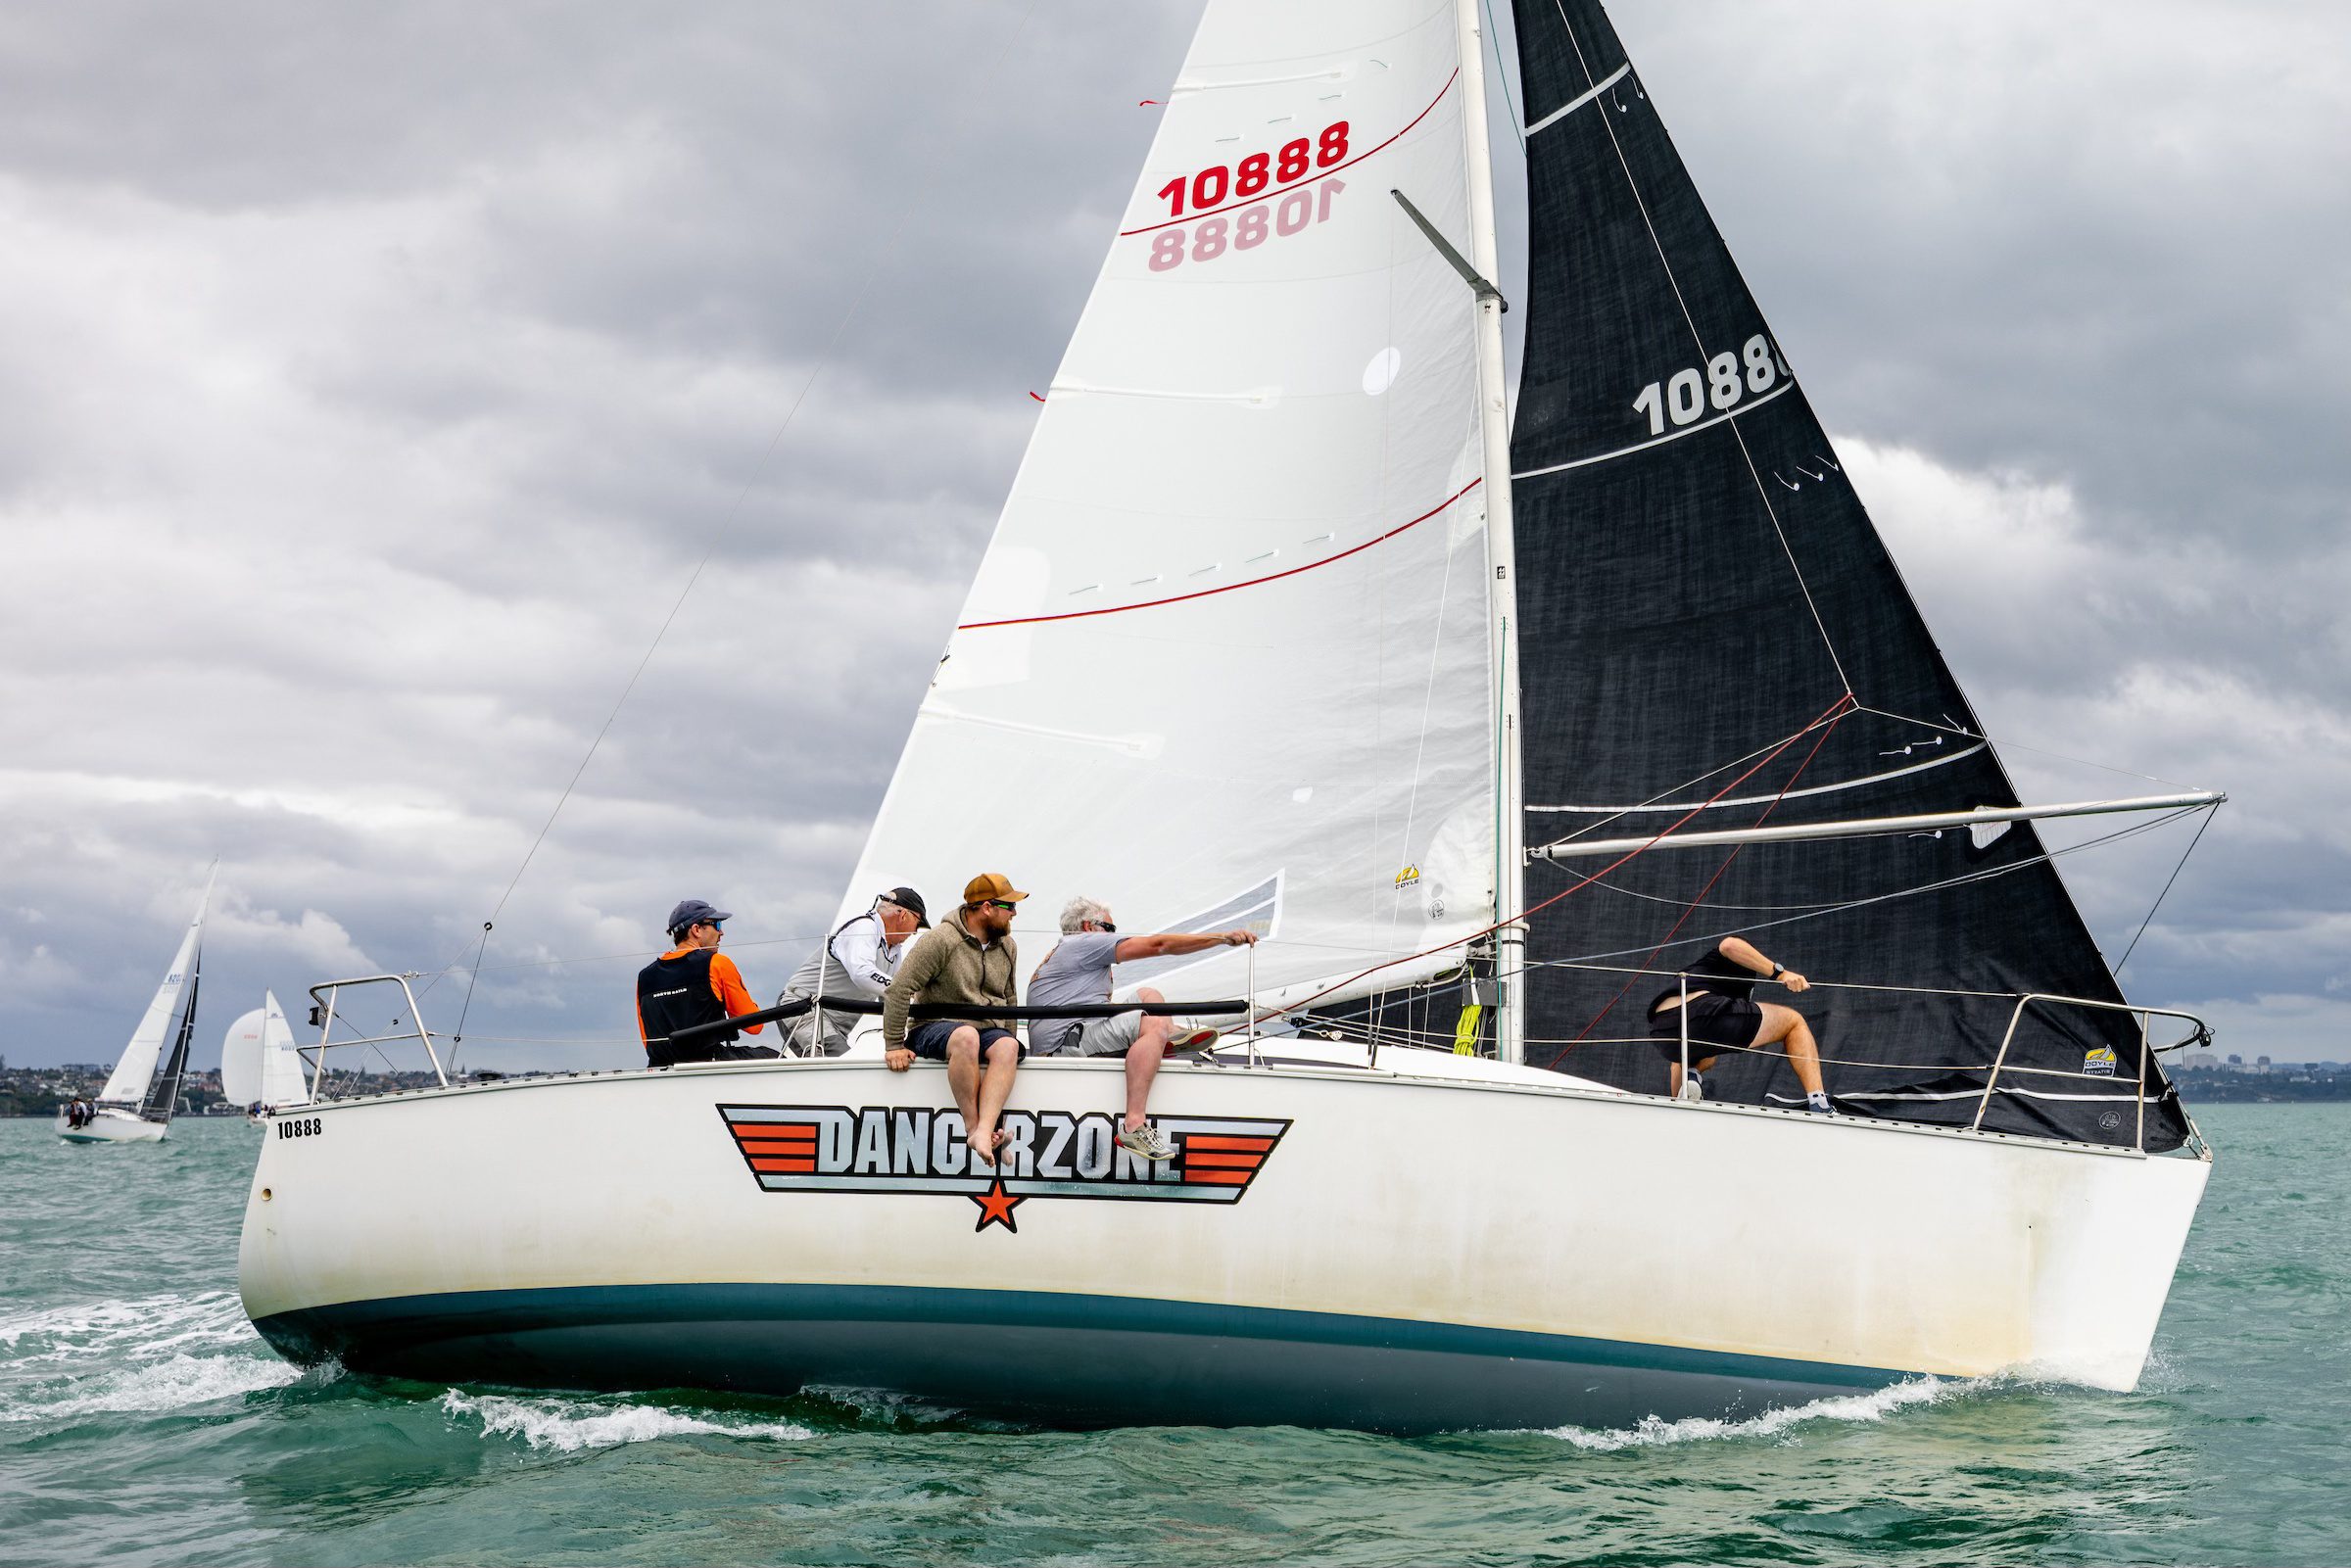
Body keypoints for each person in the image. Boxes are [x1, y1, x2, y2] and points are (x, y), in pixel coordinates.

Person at [1028, 896, 1258, 1160]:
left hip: (1077, 1031)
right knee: (1153, 1023)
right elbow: (1159, 945)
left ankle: (1171, 1036)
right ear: (1089, 927)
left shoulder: (1069, 949)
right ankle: (1133, 1125)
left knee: (1148, 995)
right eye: (1110, 928)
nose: (1114, 935)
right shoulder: (1084, 943)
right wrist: (1221, 938)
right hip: (1062, 1046)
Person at [882, 874, 1025, 1165]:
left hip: (986, 1029)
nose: (1014, 913)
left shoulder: (1008, 946)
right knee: (966, 1036)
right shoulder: (940, 940)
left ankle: (987, 1131)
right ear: (987, 908)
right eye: (1009, 907)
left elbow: (1010, 999)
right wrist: (894, 1045)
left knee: (1008, 1046)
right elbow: (899, 989)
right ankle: (973, 1129)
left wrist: (1009, 1038)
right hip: (933, 1026)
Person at [1647, 936, 1831, 1113]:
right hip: (1702, 1009)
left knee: (1702, 1053)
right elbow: (1729, 945)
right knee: (1793, 1022)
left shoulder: (1698, 973)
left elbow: (1675, 1065)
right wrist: (1781, 974)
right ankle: (1820, 1105)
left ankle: (1688, 1086)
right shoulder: (1724, 957)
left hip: (1662, 1030)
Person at [778, 887, 929, 1056]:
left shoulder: (894, 951)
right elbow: (862, 973)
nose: (915, 932)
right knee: (843, 1064)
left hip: (831, 1025)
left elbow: (891, 996)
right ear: (903, 915)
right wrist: (907, 990)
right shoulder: (864, 927)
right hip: (805, 1010)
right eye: (918, 923)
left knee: (852, 1062)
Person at [636, 899, 779, 1067]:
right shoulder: (717, 963)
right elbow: (755, 1027)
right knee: (777, 1057)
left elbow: (648, 1041)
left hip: (661, 1068)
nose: (721, 933)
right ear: (696, 930)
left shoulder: (644, 977)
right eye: (717, 925)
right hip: (710, 1064)